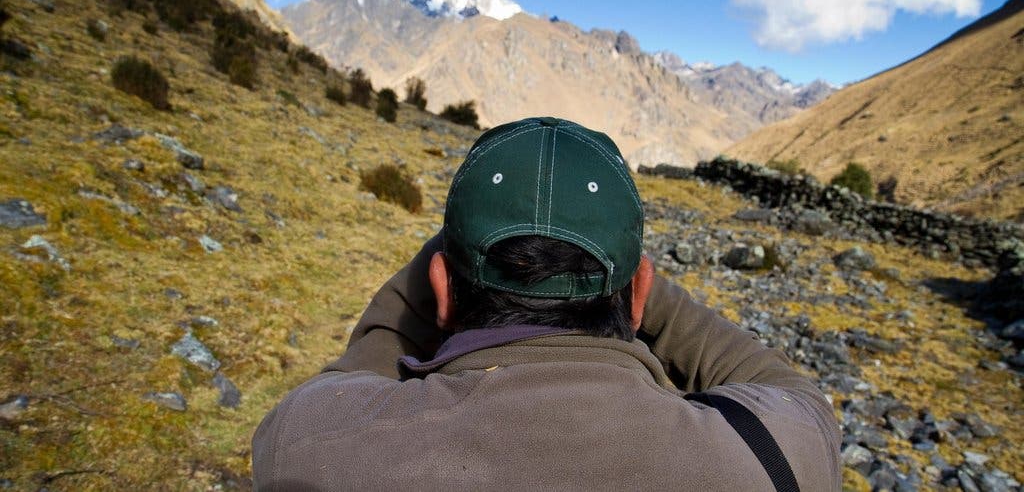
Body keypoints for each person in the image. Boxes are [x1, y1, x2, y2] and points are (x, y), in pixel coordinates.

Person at [252, 117, 841, 491]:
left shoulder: (311, 449)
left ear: (440, 287)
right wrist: (638, 281)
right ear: (637, 293)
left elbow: (359, 369)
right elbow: (790, 390)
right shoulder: (776, 457)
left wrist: (436, 264)